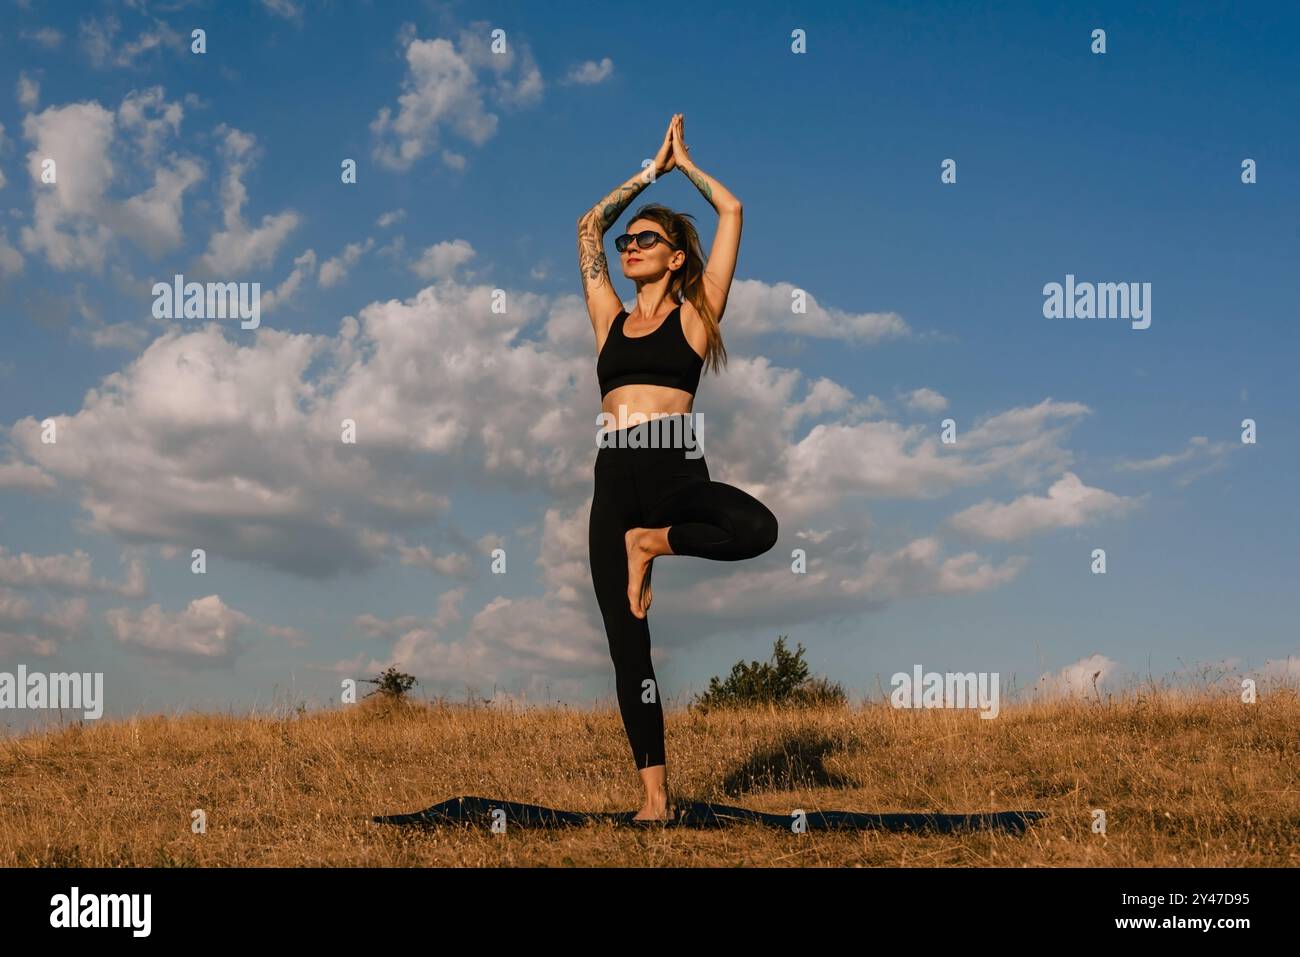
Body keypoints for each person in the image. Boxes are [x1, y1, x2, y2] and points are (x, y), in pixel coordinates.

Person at [576, 114, 778, 821]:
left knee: (757, 527)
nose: (629, 245)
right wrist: (644, 177)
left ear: (676, 259)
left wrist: (684, 165)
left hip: (675, 469)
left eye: (646, 240)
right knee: (626, 639)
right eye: (627, 240)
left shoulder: (696, 316)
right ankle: (655, 799)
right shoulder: (608, 318)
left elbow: (732, 209)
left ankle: (651, 543)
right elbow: (585, 229)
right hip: (613, 476)